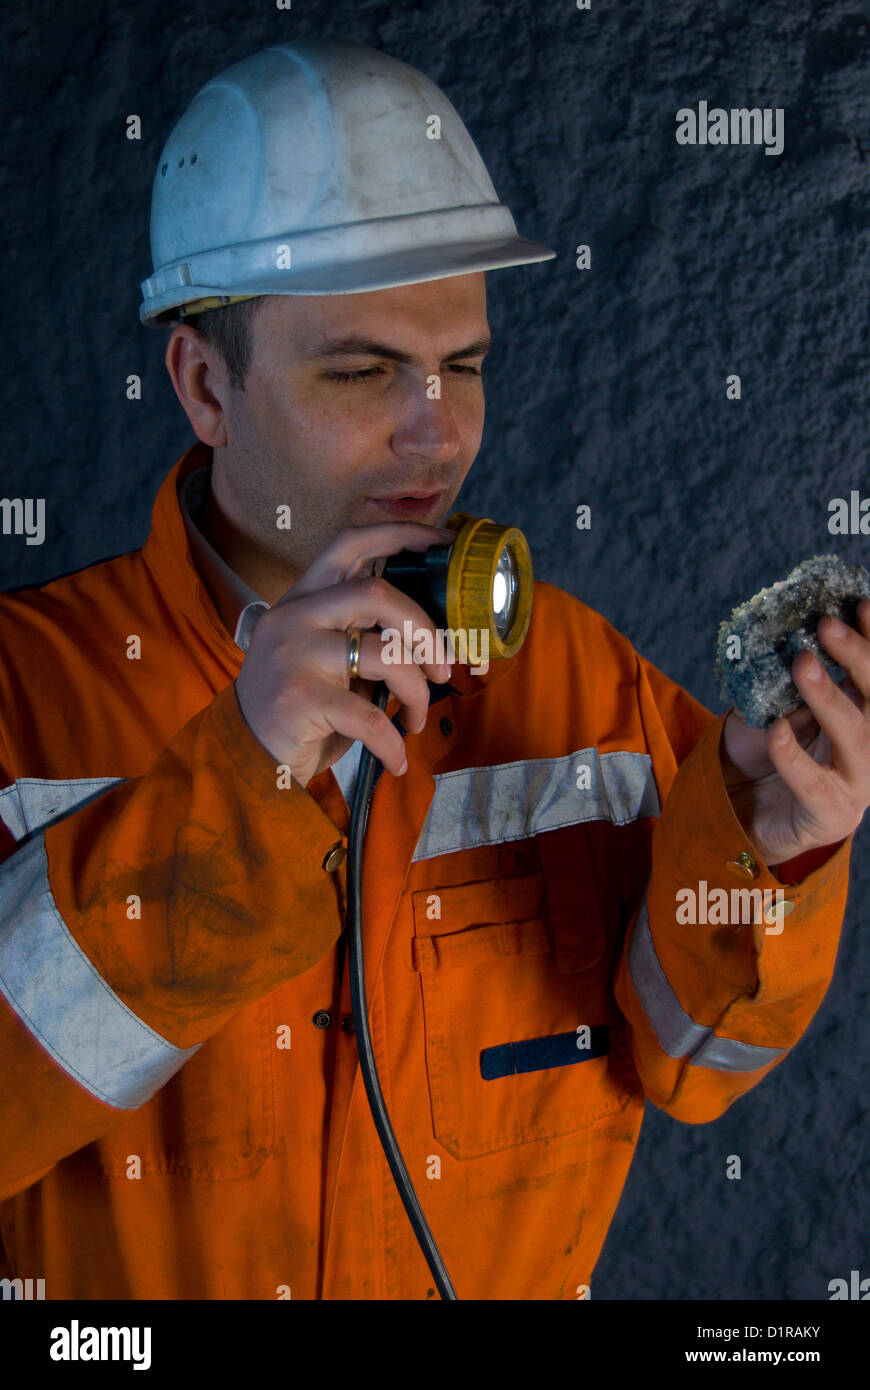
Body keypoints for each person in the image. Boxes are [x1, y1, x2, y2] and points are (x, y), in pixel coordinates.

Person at [0, 37, 866, 1302]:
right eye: (360, 369)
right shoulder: (26, 697)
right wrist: (242, 771)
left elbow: (699, 1059)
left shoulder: (573, 675)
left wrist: (767, 844)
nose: (438, 430)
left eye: (463, 364)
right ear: (204, 385)